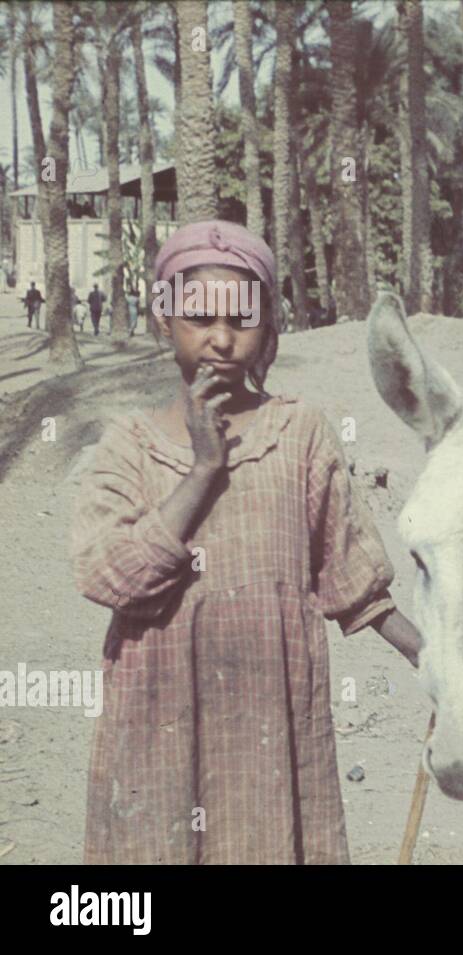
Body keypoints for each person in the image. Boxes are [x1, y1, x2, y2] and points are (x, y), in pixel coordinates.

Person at [68, 220, 424, 864]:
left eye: (242, 318)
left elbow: (351, 579)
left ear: (270, 329)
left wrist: (433, 657)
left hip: (270, 729)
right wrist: (203, 471)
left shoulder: (301, 434)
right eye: (199, 316)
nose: (221, 339)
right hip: (158, 724)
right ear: (163, 321)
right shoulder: (130, 446)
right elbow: (106, 576)